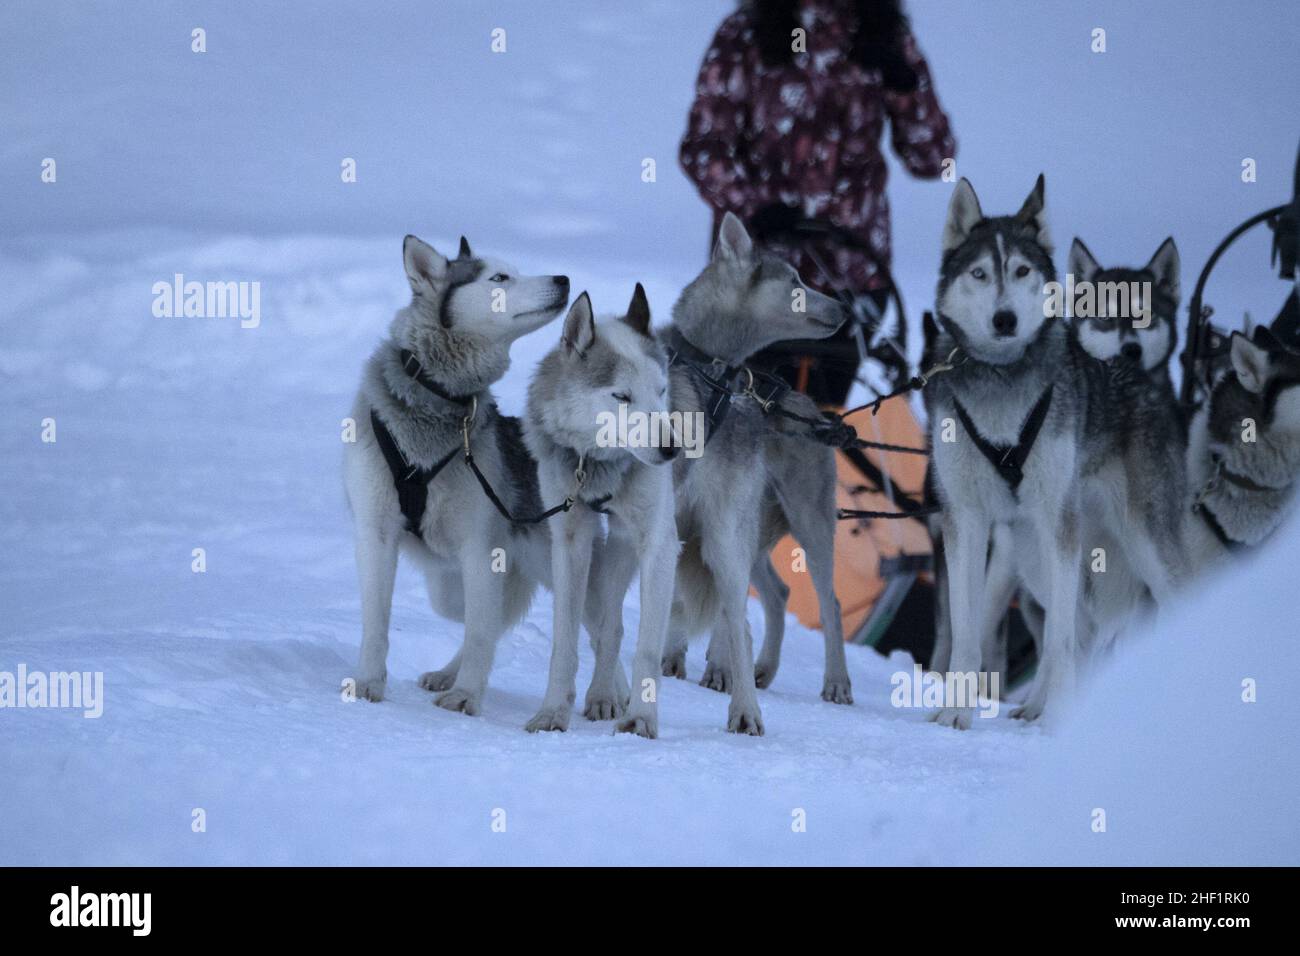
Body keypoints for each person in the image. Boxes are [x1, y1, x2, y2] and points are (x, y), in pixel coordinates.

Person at [680, 0, 956, 405]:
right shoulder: (745, 33)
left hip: (856, 277)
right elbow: (704, 148)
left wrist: (905, 84)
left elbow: (933, 159)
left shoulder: (884, 32)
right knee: (748, 422)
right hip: (757, 285)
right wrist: (754, 208)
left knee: (822, 425)